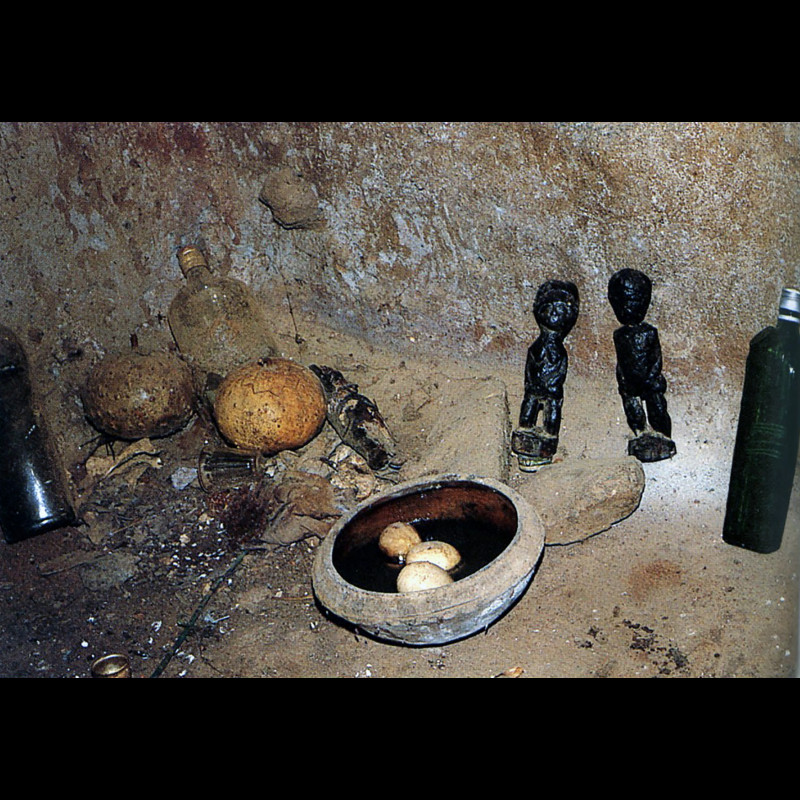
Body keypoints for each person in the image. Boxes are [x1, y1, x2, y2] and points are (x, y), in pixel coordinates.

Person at [607, 268, 676, 461]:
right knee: (633, 410)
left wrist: (652, 376)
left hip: (650, 381)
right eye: (624, 302)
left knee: (657, 408)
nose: (630, 308)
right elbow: (621, 361)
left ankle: (662, 434)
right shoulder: (619, 335)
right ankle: (640, 433)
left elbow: (656, 358)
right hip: (630, 383)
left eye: (635, 301)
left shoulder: (649, 332)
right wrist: (622, 380)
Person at [512, 279, 580, 470]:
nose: (553, 315)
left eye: (560, 311)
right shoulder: (538, 346)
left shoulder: (557, 350)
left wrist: (552, 385)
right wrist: (531, 384)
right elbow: (530, 367)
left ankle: (548, 438)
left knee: (551, 411)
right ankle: (526, 433)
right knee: (529, 408)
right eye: (549, 309)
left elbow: (560, 370)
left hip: (549, 390)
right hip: (535, 389)